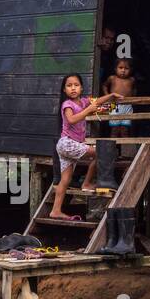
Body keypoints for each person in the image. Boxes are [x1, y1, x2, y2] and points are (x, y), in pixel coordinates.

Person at [50, 73, 118, 218]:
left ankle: (55, 210)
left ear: (81, 88)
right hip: (67, 143)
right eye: (69, 86)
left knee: (65, 180)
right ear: (64, 90)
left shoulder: (83, 101)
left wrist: (111, 95)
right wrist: (88, 110)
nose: (73, 88)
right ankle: (86, 183)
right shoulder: (67, 104)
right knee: (100, 153)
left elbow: (98, 101)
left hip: (66, 146)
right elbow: (71, 119)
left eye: (76, 85)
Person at [101, 57, 137, 128]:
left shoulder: (132, 80)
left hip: (127, 105)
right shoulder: (112, 78)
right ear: (115, 69)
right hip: (113, 104)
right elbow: (104, 86)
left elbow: (134, 89)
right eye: (120, 68)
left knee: (125, 129)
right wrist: (107, 96)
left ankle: (124, 139)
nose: (123, 70)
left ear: (130, 70)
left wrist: (133, 99)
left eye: (126, 68)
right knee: (114, 129)